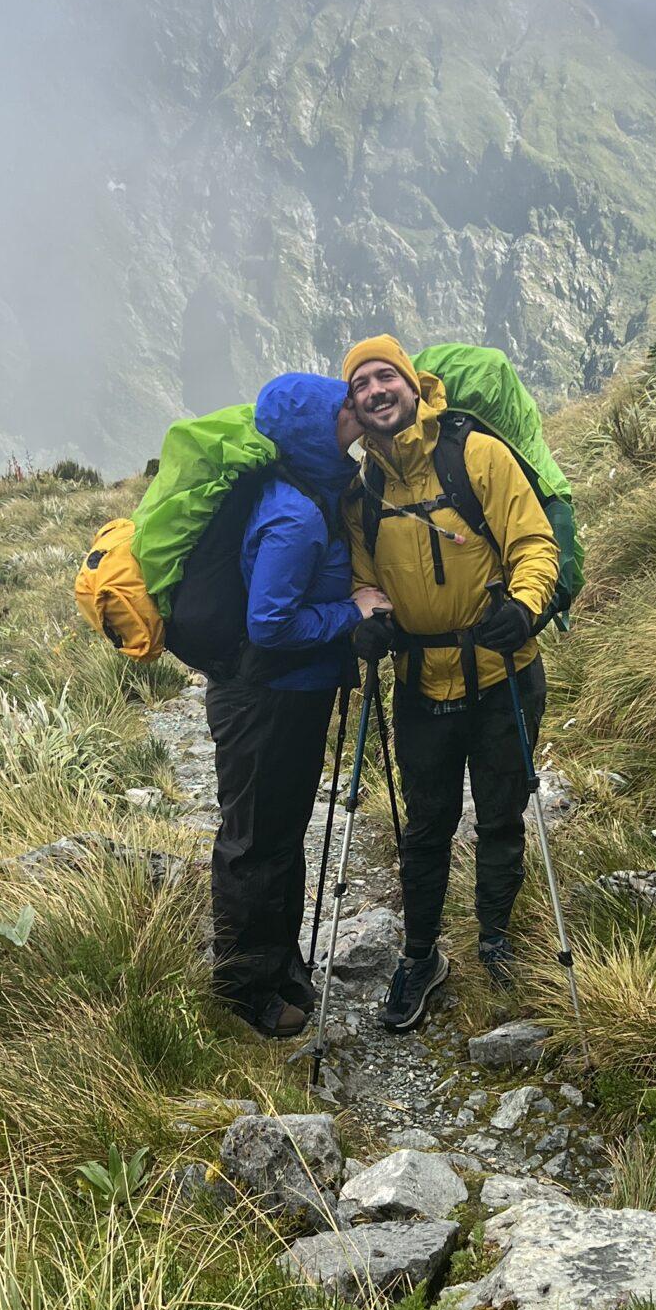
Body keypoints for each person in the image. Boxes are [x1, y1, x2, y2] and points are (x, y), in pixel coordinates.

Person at [341, 334, 560, 1031]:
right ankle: (419, 955)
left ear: (413, 384)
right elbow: (362, 579)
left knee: (500, 813)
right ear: (354, 407)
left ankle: (494, 938)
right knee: (426, 826)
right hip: (420, 682)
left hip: (503, 672)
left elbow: (533, 543)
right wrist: (369, 617)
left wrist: (524, 606)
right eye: (360, 385)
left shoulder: (477, 455)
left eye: (385, 376)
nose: (375, 391)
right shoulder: (363, 492)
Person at [205, 373, 390, 1039]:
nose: (352, 415)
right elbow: (270, 624)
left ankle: (282, 967)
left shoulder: (313, 492)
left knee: (281, 835)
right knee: (255, 842)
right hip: (265, 701)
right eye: (340, 412)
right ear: (310, 429)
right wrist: (351, 612)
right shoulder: (296, 515)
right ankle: (245, 991)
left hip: (290, 696)